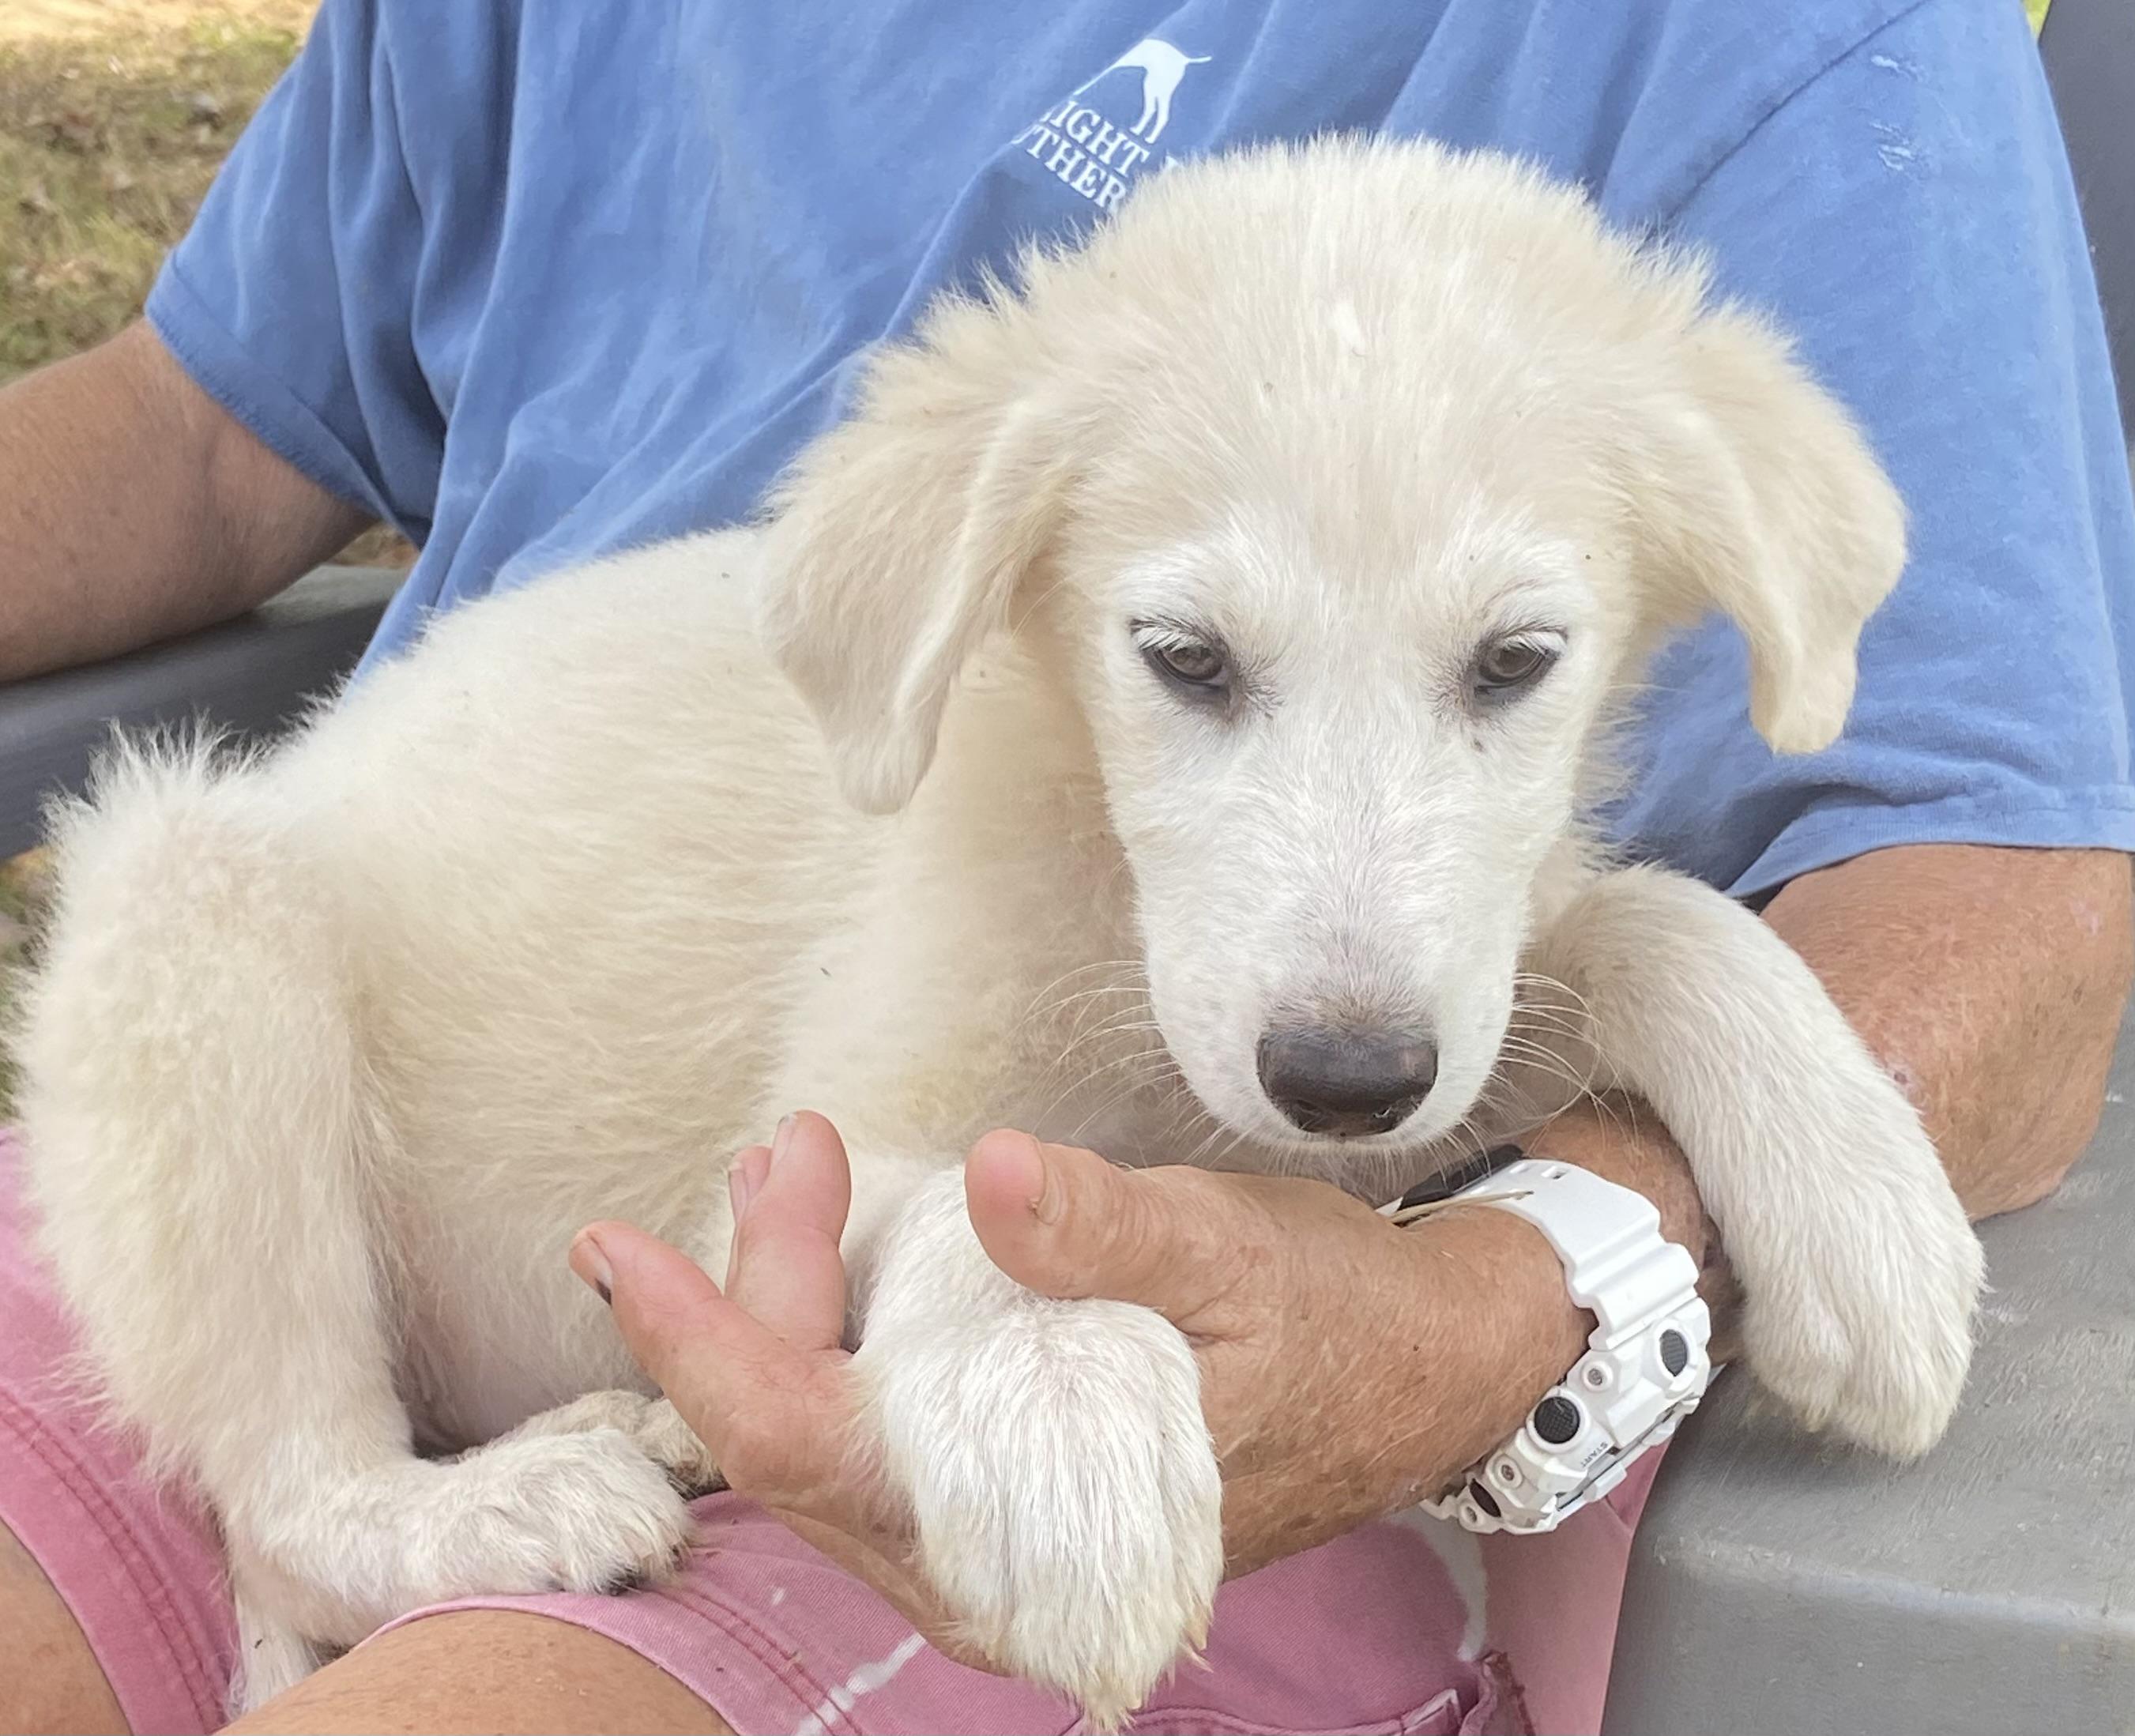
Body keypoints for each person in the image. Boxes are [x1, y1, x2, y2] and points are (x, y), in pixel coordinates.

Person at [2, 0, 2131, 1730]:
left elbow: (1993, 878)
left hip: (1107, 1476)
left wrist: (1575, 1230)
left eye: (1512, 664)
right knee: (188, 900)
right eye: (1193, 662)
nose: (1351, 963)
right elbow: (201, 430)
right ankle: (310, 1516)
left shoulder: (1780, 56)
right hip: (262, 1247)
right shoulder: (978, 603)